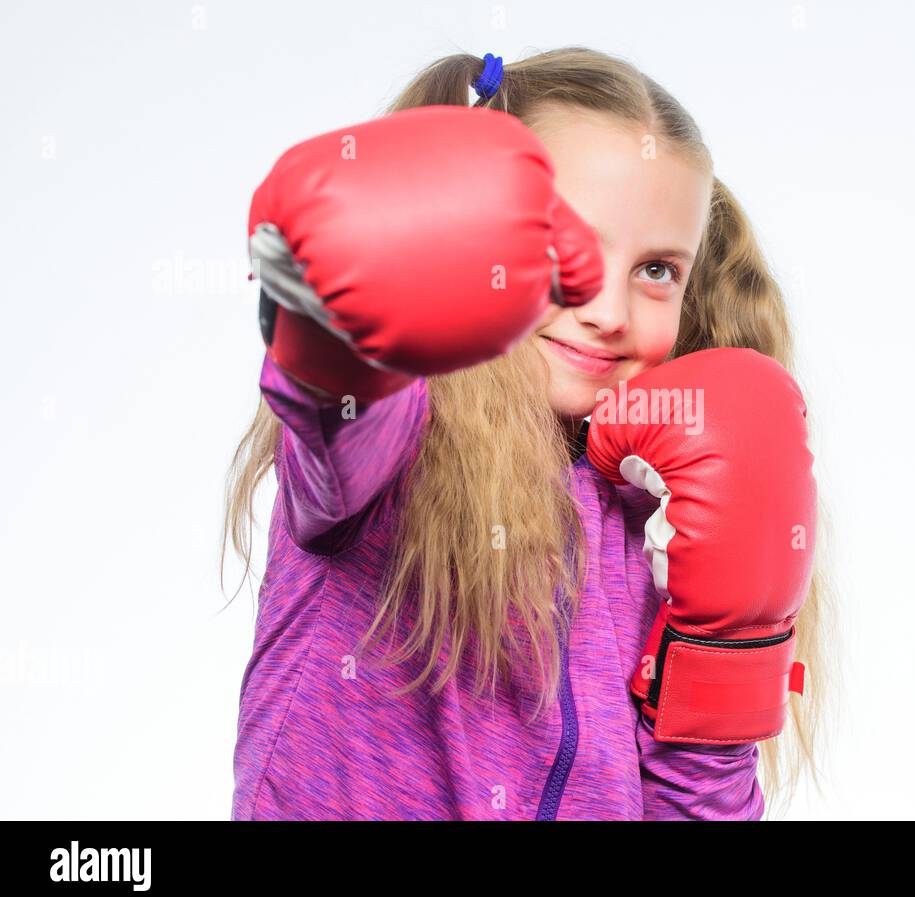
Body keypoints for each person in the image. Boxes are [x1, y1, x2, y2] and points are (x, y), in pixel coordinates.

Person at [223, 46, 834, 820]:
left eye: (655, 271)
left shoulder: (659, 515)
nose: (608, 310)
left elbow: (693, 809)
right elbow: (339, 407)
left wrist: (728, 648)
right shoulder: (394, 445)